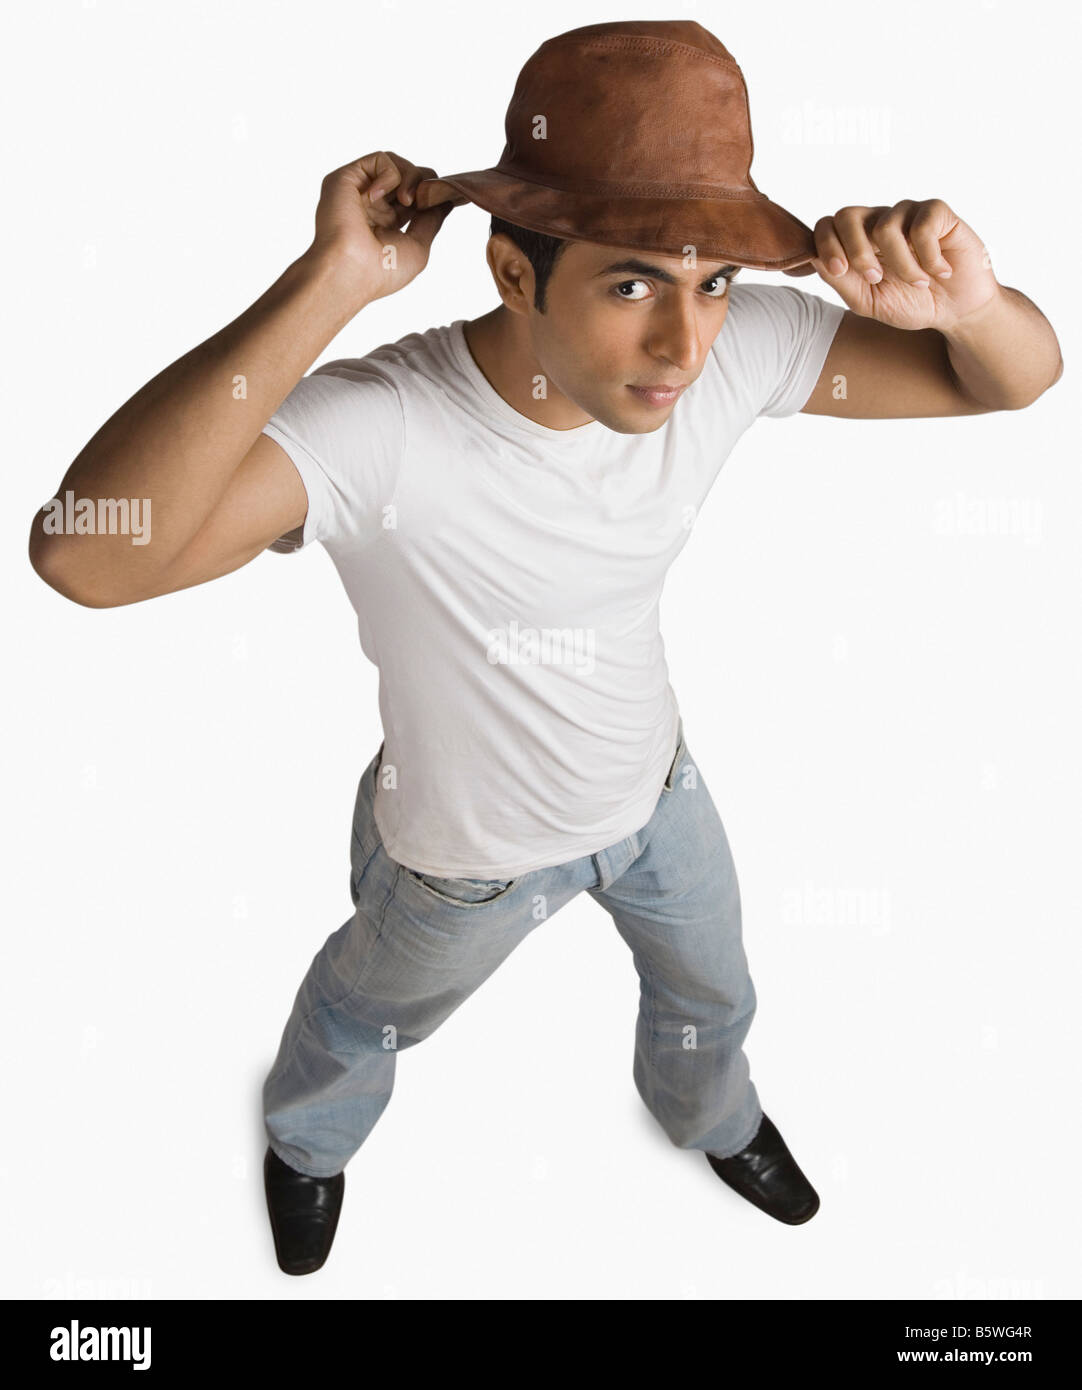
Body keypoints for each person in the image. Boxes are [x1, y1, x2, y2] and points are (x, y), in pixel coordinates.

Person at [29, 20, 1062, 1277]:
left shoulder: (728, 351)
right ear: (514, 278)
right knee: (364, 1015)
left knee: (714, 1001)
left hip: (654, 792)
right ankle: (307, 1145)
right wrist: (330, 286)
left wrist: (968, 302)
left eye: (713, 281)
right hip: (462, 859)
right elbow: (91, 551)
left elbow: (1007, 377)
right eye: (631, 283)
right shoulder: (385, 426)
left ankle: (710, 1120)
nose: (684, 345)